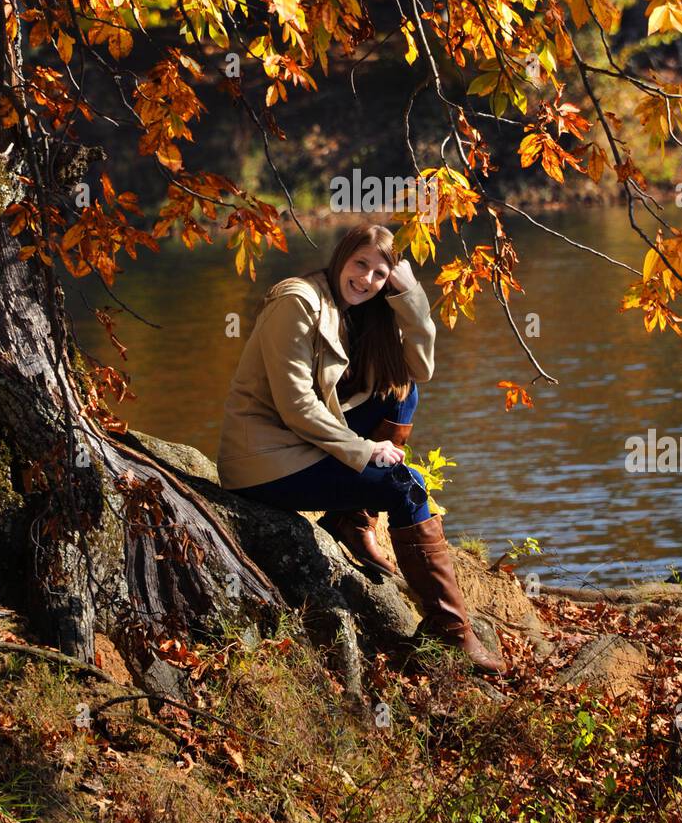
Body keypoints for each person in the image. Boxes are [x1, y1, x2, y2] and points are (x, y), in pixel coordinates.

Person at [216, 222, 505, 674]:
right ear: (341, 258)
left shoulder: (368, 309)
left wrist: (410, 300)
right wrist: (365, 451)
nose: (367, 279)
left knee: (401, 388)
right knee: (403, 486)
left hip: (307, 445)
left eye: (379, 273)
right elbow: (295, 407)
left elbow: (421, 370)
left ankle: (353, 519)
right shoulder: (297, 302)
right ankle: (451, 633)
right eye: (360, 264)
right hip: (267, 459)